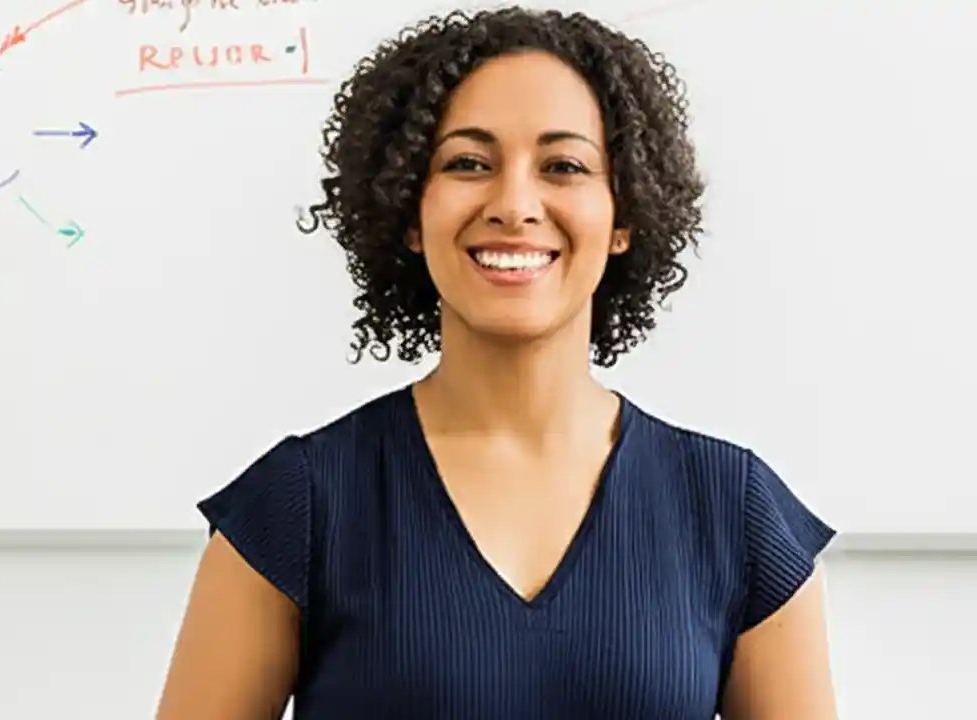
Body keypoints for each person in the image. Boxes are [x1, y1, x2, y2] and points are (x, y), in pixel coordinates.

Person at [157, 6, 839, 719]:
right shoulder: (295, 507)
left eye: (564, 167)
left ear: (624, 216)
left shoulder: (735, 513)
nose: (514, 204)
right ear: (409, 214)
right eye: (469, 164)